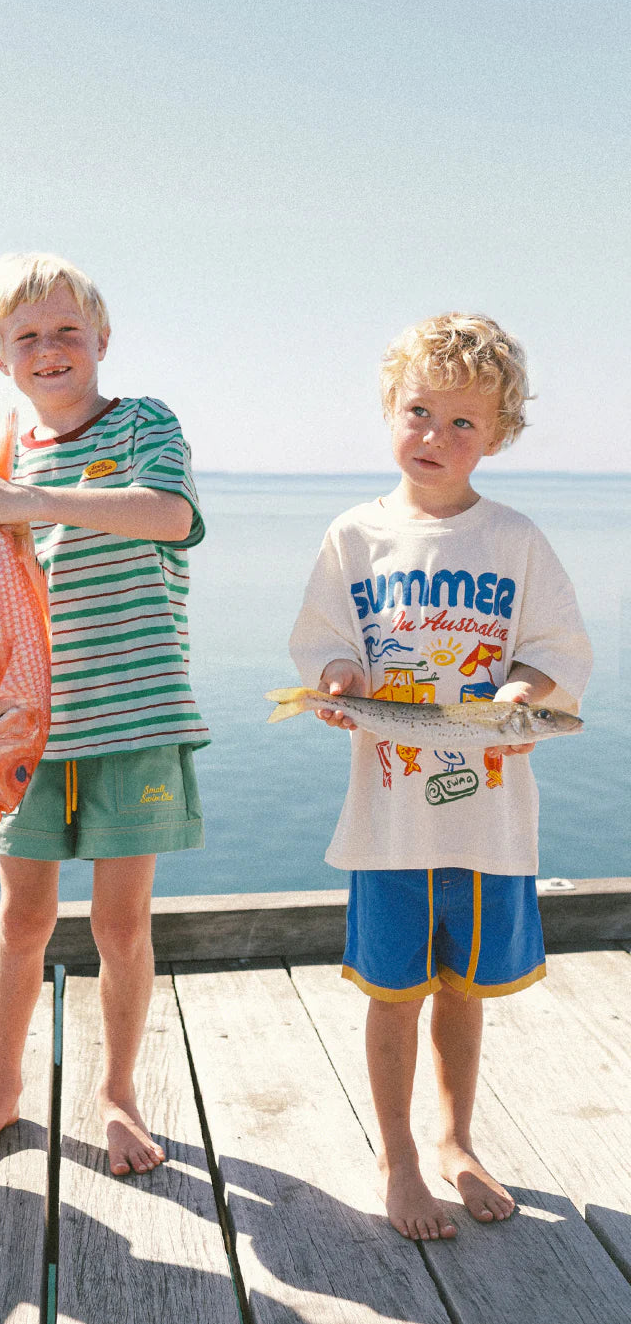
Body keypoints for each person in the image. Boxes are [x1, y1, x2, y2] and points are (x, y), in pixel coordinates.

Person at [289, 314, 591, 1241]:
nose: (437, 436)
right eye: (420, 411)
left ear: (497, 436)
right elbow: (326, 644)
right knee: (395, 991)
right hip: (389, 822)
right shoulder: (354, 536)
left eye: (465, 423)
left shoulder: (517, 539)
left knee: (464, 987)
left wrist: (526, 696)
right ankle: (398, 1154)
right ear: (390, 409)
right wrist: (337, 682)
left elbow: (555, 656)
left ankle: (457, 1137)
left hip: (489, 822)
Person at [0, 252, 209, 1176]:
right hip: (29, 733)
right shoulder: (5, 458)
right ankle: (4, 1087)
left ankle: (117, 1094)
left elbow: (169, 514)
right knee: (22, 918)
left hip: (133, 723)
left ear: (102, 338)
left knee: (120, 925)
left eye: (67, 331)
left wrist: (33, 501)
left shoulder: (144, 424)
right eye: (28, 337)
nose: (49, 349)